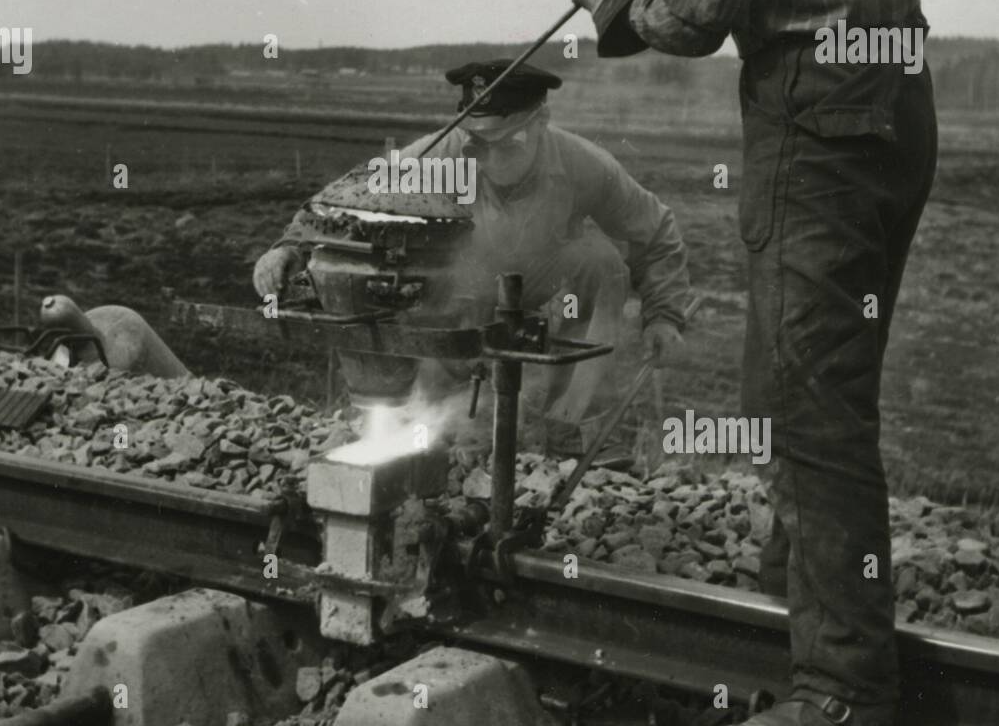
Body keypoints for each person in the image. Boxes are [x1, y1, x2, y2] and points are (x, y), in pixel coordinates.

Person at [572, 0, 973, 726]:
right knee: (803, 373)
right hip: (900, 108)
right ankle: (795, 581)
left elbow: (695, 18)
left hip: (815, 122)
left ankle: (844, 693)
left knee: (812, 409)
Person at [253, 59, 692, 451]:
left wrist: (665, 316)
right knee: (433, 425)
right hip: (457, 290)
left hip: (539, 281)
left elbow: (654, 231)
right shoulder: (437, 154)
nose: (487, 157)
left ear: (542, 121)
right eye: (477, 144)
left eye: (506, 142)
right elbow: (339, 202)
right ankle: (430, 412)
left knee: (602, 262)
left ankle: (566, 426)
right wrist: (288, 248)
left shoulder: (584, 164)